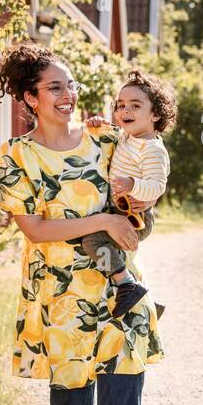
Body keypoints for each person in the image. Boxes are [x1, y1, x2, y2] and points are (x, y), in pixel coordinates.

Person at [0, 42, 163, 405]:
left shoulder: (107, 138)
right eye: (55, 87)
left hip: (119, 290)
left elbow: (149, 167)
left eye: (70, 85)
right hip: (60, 296)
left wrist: (133, 213)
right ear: (29, 98)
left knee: (122, 395)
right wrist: (103, 221)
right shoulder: (15, 157)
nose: (68, 95)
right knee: (71, 396)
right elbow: (37, 229)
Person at [81, 68, 175, 315]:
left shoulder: (152, 149)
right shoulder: (127, 136)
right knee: (118, 255)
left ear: (155, 114)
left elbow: (157, 185)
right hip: (119, 210)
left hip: (136, 217)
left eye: (135, 106)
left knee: (93, 240)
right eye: (120, 105)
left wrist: (134, 184)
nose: (125, 111)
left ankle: (127, 284)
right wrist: (97, 124)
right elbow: (110, 133)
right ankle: (147, 305)